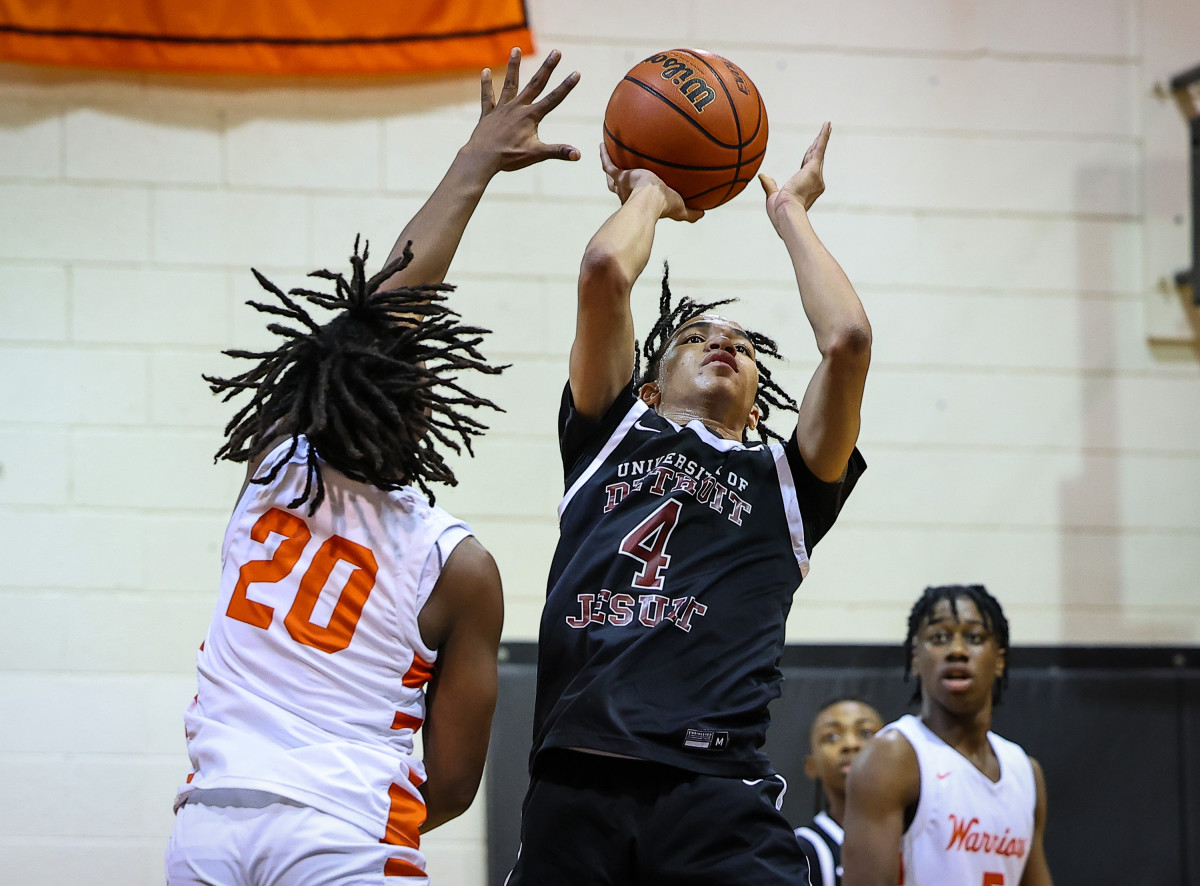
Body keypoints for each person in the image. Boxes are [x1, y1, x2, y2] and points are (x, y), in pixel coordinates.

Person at [164, 48, 579, 886]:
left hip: (210, 823)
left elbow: (380, 310)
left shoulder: (274, 462)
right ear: (429, 413)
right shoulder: (457, 564)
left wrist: (474, 161)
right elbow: (452, 784)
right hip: (344, 834)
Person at [505, 123, 871, 885]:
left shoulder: (787, 478)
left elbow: (847, 341)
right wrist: (648, 191)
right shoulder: (611, 432)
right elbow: (605, 269)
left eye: (743, 346)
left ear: (759, 406)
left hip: (717, 788)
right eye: (695, 336)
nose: (722, 344)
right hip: (581, 773)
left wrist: (790, 214)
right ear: (648, 388)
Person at [841, 585, 1054, 886]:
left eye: (974, 637)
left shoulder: (1025, 772)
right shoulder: (892, 758)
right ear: (916, 659)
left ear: (999, 660)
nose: (957, 651)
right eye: (939, 637)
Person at [795, 698, 886, 886]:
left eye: (866, 733)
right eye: (832, 737)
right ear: (811, 765)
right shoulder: (801, 850)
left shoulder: (917, 838)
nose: (851, 744)